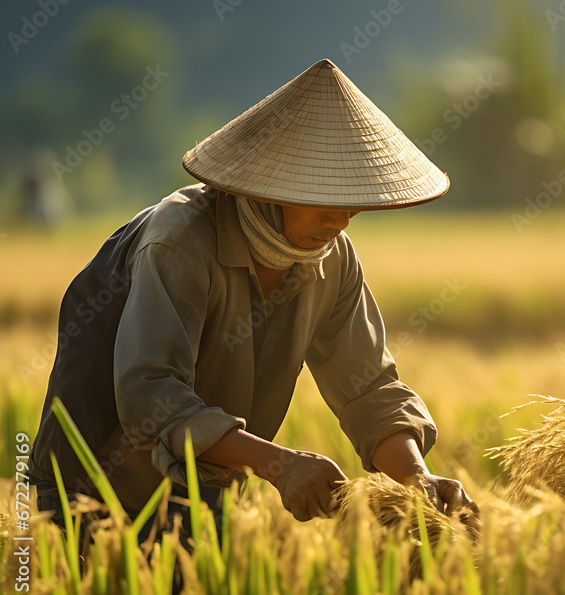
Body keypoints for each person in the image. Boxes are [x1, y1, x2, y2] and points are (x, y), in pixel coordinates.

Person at [28, 59, 477, 540]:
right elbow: (150, 395)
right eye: (327, 197)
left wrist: (416, 478)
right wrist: (279, 465)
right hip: (86, 494)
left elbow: (368, 389)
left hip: (201, 492)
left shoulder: (332, 260)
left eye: (354, 198)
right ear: (273, 187)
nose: (344, 218)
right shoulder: (180, 241)